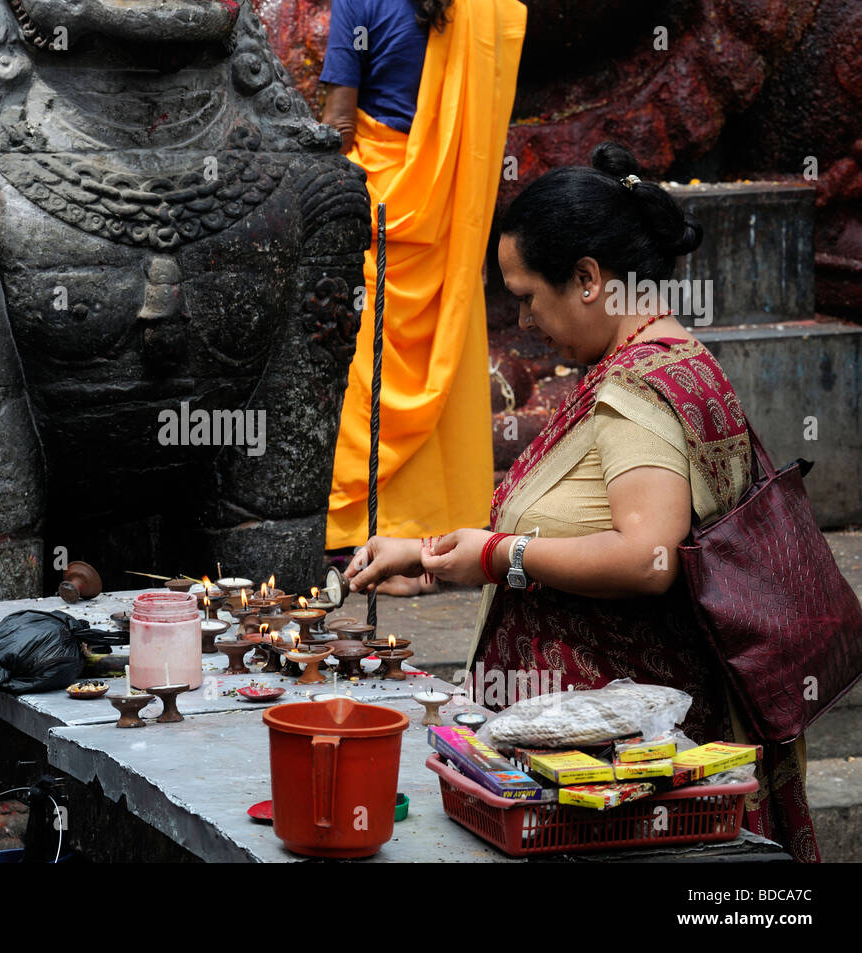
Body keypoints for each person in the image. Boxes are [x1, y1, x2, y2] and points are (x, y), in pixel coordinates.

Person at [345, 142, 819, 862]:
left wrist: (501, 554)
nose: (526, 320)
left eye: (529, 295)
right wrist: (439, 557)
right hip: (606, 751)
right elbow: (587, 519)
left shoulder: (639, 391)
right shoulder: (674, 359)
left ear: (589, 278)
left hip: (607, 779)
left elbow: (646, 556)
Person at [319, 0, 527, 592]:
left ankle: (359, 539)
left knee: (362, 370)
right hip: (446, 208)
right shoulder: (486, 10)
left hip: (373, 198)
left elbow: (337, 123)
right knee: (439, 352)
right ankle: (435, 541)